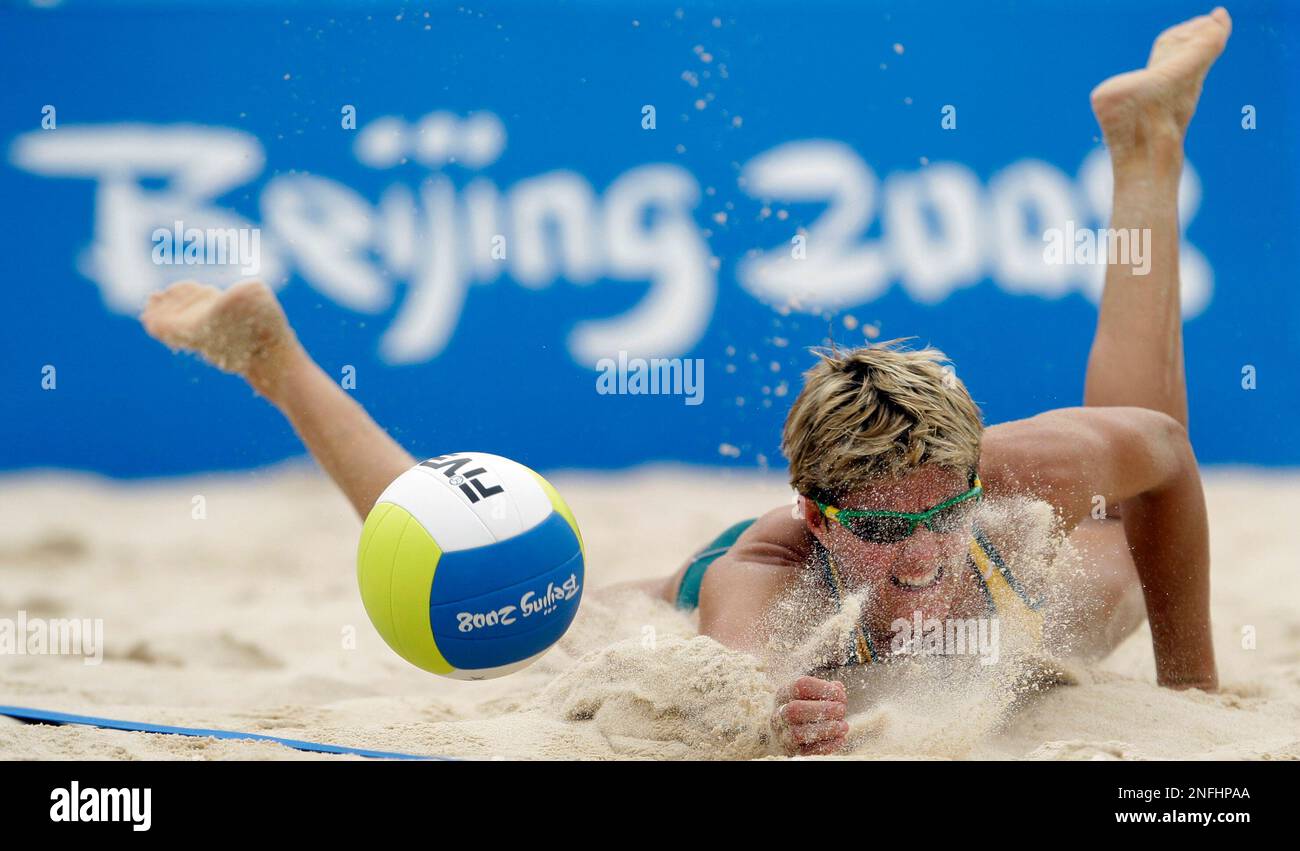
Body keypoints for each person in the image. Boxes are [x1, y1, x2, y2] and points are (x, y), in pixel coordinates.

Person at [140, 8, 1232, 757]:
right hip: (683, 594)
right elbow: (730, 691)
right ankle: (273, 359)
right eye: (878, 530)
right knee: (492, 582)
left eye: (941, 512)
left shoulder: (1012, 473)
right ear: (815, 513)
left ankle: (1143, 151)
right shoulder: (767, 576)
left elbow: (1168, 457)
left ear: (971, 470)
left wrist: (1190, 685)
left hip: (1001, 552)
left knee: (1122, 554)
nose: (917, 553)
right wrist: (779, 713)